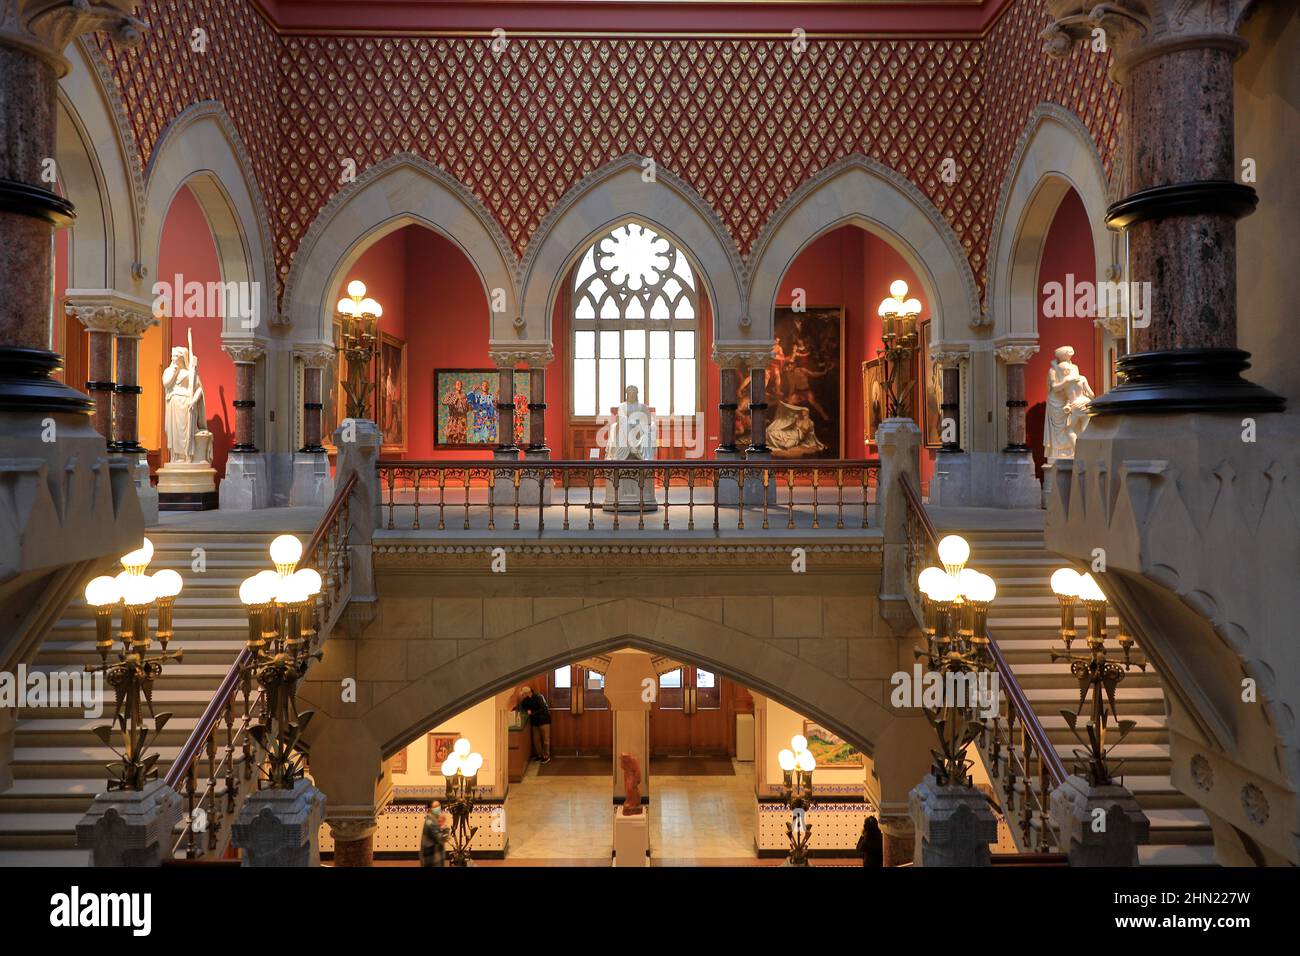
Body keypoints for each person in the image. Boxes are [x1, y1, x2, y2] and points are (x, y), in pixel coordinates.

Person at [513, 685, 552, 764]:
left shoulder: (539, 697)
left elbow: (543, 709)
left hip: (544, 720)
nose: (522, 695)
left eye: (523, 694)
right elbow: (520, 706)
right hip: (535, 722)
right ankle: (539, 755)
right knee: (536, 740)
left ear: (527, 693)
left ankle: (546, 756)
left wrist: (532, 713)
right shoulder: (526, 700)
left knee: (545, 740)